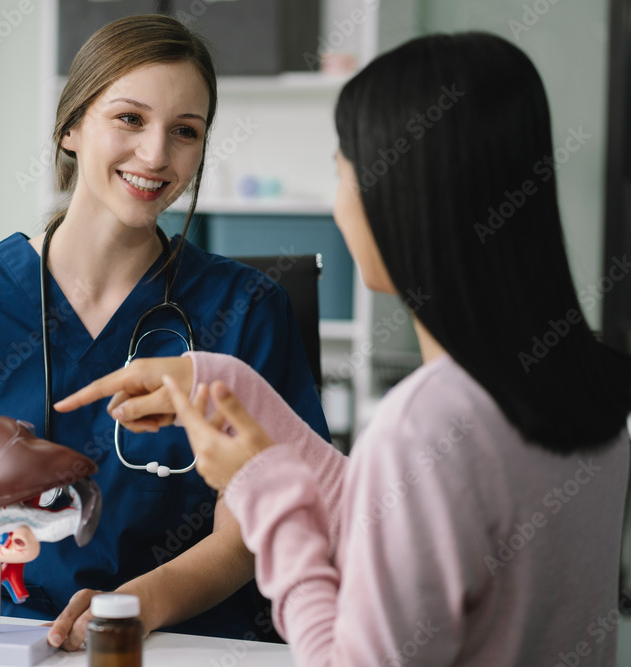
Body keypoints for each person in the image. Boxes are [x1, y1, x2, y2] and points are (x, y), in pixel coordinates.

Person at [56, 32, 631, 664]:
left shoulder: (424, 422)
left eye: (343, 176)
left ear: (402, 202)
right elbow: (389, 507)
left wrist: (265, 493)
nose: (337, 207)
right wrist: (220, 381)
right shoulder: (587, 391)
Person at [0, 14, 329, 650]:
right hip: (8, 635)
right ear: (71, 127)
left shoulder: (247, 308)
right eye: (130, 119)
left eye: (185, 132)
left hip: (184, 642)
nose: (157, 155)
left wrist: (136, 605)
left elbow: (247, 534)